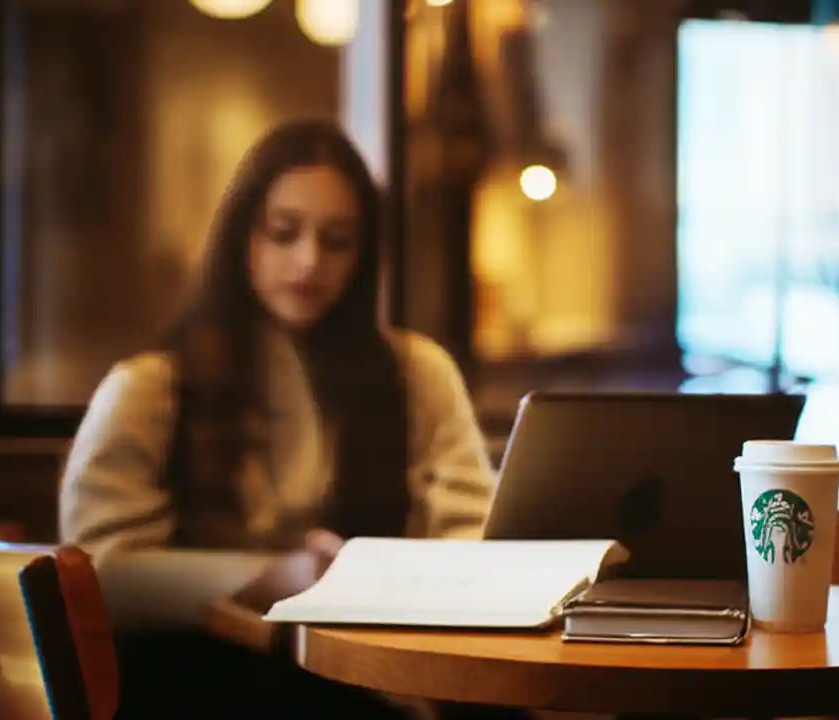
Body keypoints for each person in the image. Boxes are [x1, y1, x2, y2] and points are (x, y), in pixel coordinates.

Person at [59, 120, 509, 717]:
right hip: (202, 682)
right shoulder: (151, 387)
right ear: (242, 235)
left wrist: (389, 577)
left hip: (371, 670)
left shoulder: (416, 372)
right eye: (283, 232)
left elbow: (470, 535)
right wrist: (278, 574)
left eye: (337, 239)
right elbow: (97, 576)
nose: (308, 260)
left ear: (365, 253)